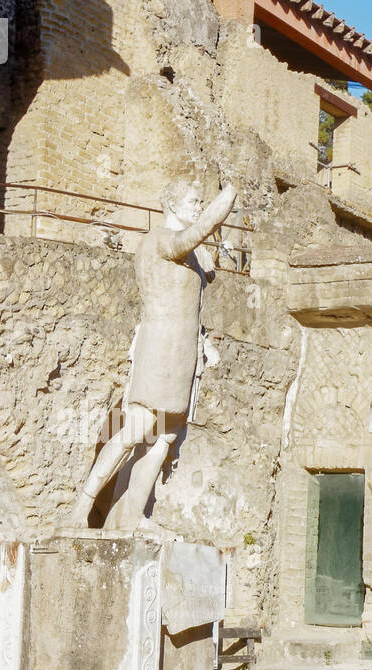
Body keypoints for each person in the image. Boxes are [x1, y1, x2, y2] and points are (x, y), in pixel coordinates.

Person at [69, 177, 238, 529]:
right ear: (173, 204)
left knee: (165, 436)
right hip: (159, 346)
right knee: (136, 428)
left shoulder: (188, 251)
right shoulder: (158, 240)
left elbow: (204, 268)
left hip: (183, 352)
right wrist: (227, 198)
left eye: (200, 201)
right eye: (193, 200)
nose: (197, 205)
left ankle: (132, 516)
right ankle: (78, 510)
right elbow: (190, 237)